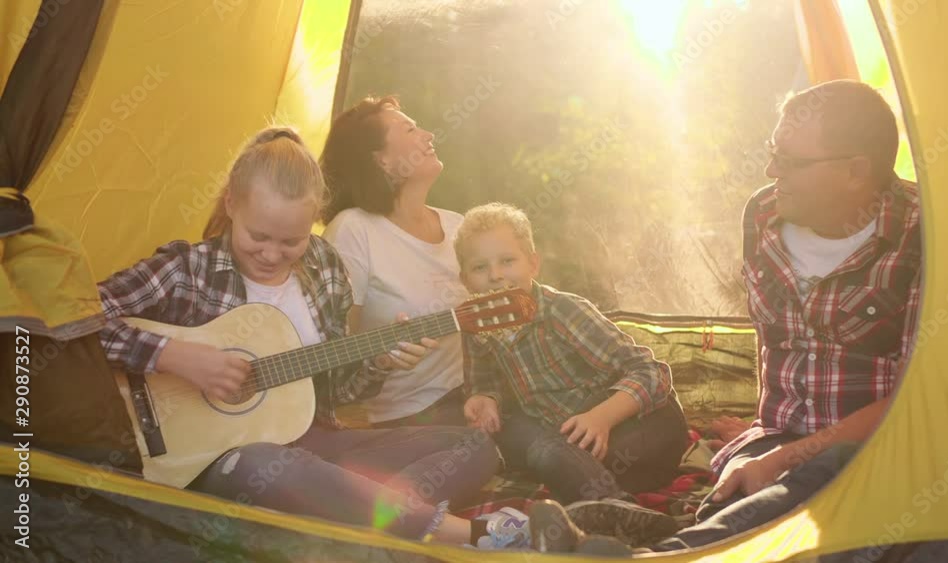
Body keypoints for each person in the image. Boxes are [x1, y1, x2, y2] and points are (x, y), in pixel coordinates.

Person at [529, 80, 923, 557]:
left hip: (876, 447)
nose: (770, 169)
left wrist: (787, 458)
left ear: (855, 172)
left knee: (823, 492)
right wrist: (767, 442)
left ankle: (655, 550)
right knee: (754, 500)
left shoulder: (925, 234)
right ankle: (667, 535)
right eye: (770, 151)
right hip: (774, 437)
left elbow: (917, 394)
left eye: (790, 160)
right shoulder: (762, 214)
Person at [97, 126, 529, 547]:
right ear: (231, 204)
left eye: (291, 241)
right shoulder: (187, 269)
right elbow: (71, 321)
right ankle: (453, 532)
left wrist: (379, 360)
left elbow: (336, 392)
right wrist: (174, 355)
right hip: (227, 462)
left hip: (315, 447)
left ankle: (367, 519)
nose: (271, 254)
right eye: (258, 236)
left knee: (475, 445)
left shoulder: (323, 265)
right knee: (263, 462)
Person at [454, 202, 689, 544]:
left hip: (643, 430)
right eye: (480, 267)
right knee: (525, 440)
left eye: (508, 261)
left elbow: (652, 372)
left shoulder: (563, 312)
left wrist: (602, 417)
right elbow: (483, 379)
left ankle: (618, 513)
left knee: (547, 448)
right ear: (464, 280)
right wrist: (484, 397)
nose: (496, 276)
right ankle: (602, 509)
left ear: (533, 263)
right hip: (574, 448)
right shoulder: (477, 324)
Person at [321, 95, 468, 428]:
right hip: (400, 418)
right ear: (382, 161)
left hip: (473, 400)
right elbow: (333, 360)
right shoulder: (354, 230)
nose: (429, 135)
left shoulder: (459, 226)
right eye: (411, 129)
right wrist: (382, 355)